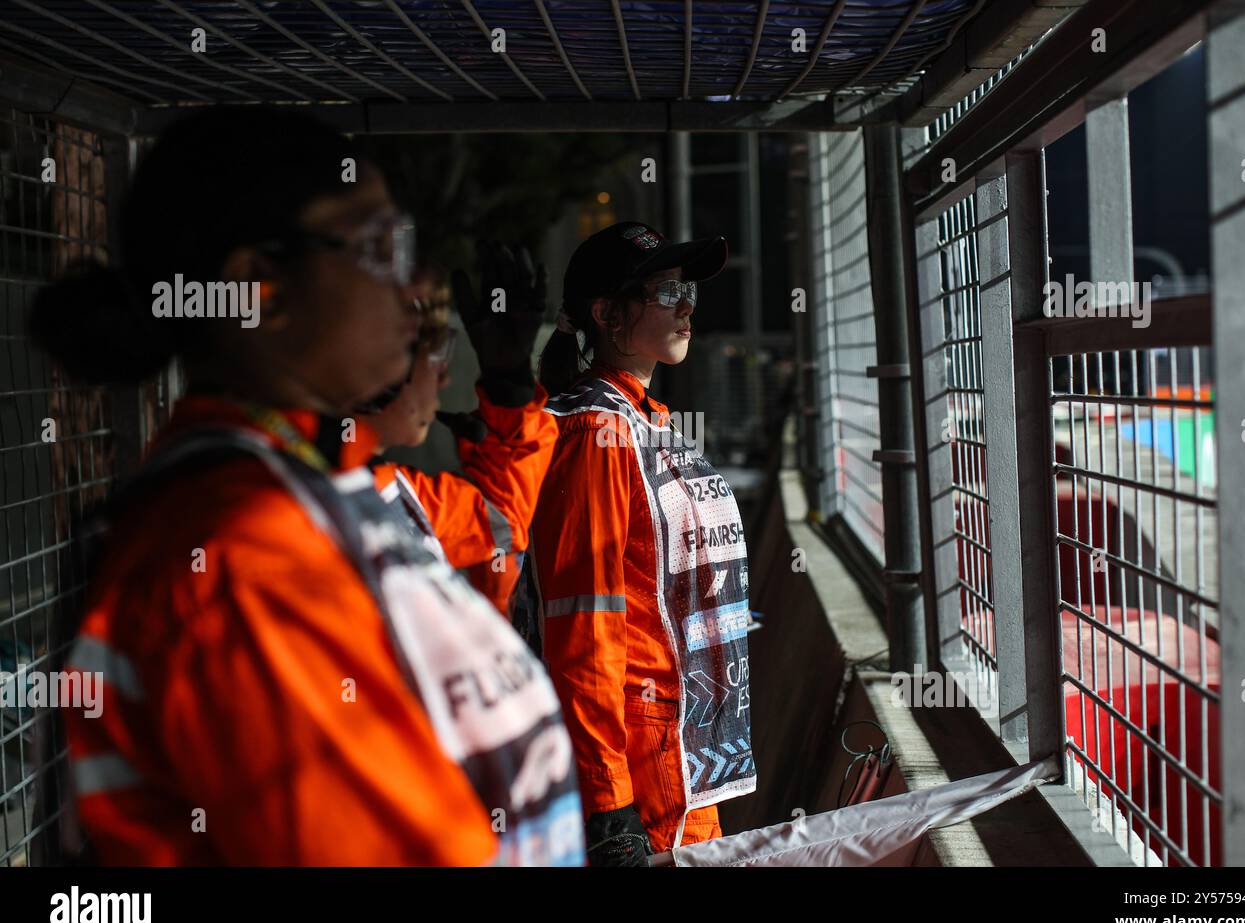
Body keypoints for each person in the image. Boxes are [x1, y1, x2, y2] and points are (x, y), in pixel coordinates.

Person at [30, 107, 582, 866]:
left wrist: (513, 392)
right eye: (380, 247)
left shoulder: (322, 480)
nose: (416, 283)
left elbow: (496, 528)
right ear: (260, 287)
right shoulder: (240, 545)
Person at [528, 221, 757, 866]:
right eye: (663, 293)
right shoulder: (595, 432)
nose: (686, 306)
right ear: (606, 314)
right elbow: (582, 626)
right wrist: (608, 803)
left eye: (686, 290)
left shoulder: (644, 419)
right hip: (637, 747)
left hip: (677, 738)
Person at [360, 245, 556, 618]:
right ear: (381, 366)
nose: (445, 376)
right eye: (435, 353)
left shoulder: (397, 493)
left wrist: (508, 390)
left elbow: (501, 516)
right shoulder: (282, 495)